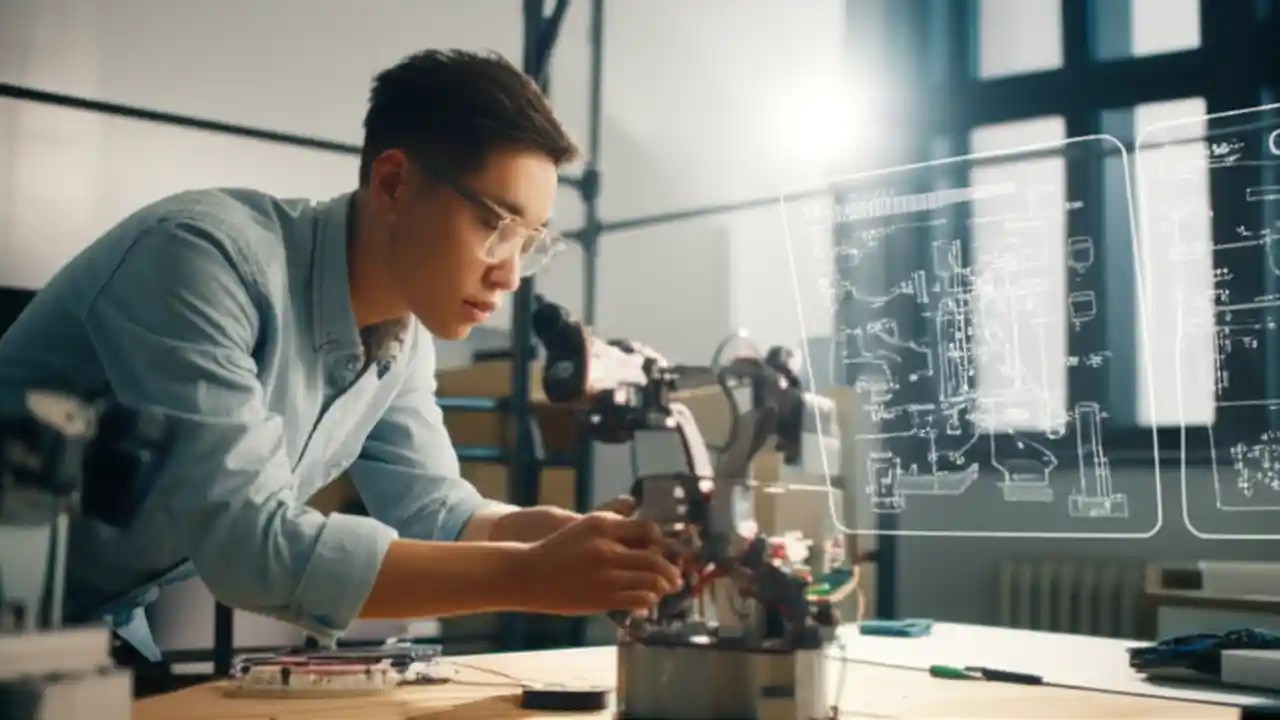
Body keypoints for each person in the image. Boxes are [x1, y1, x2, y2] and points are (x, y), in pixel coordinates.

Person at [0, 49, 681, 663]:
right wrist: (532, 575)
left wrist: (575, 540)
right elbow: (254, 550)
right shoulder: (199, 261)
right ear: (392, 183)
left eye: (530, 241)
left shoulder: (398, 335)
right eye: (495, 225)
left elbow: (438, 512)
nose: (509, 274)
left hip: (80, 633)